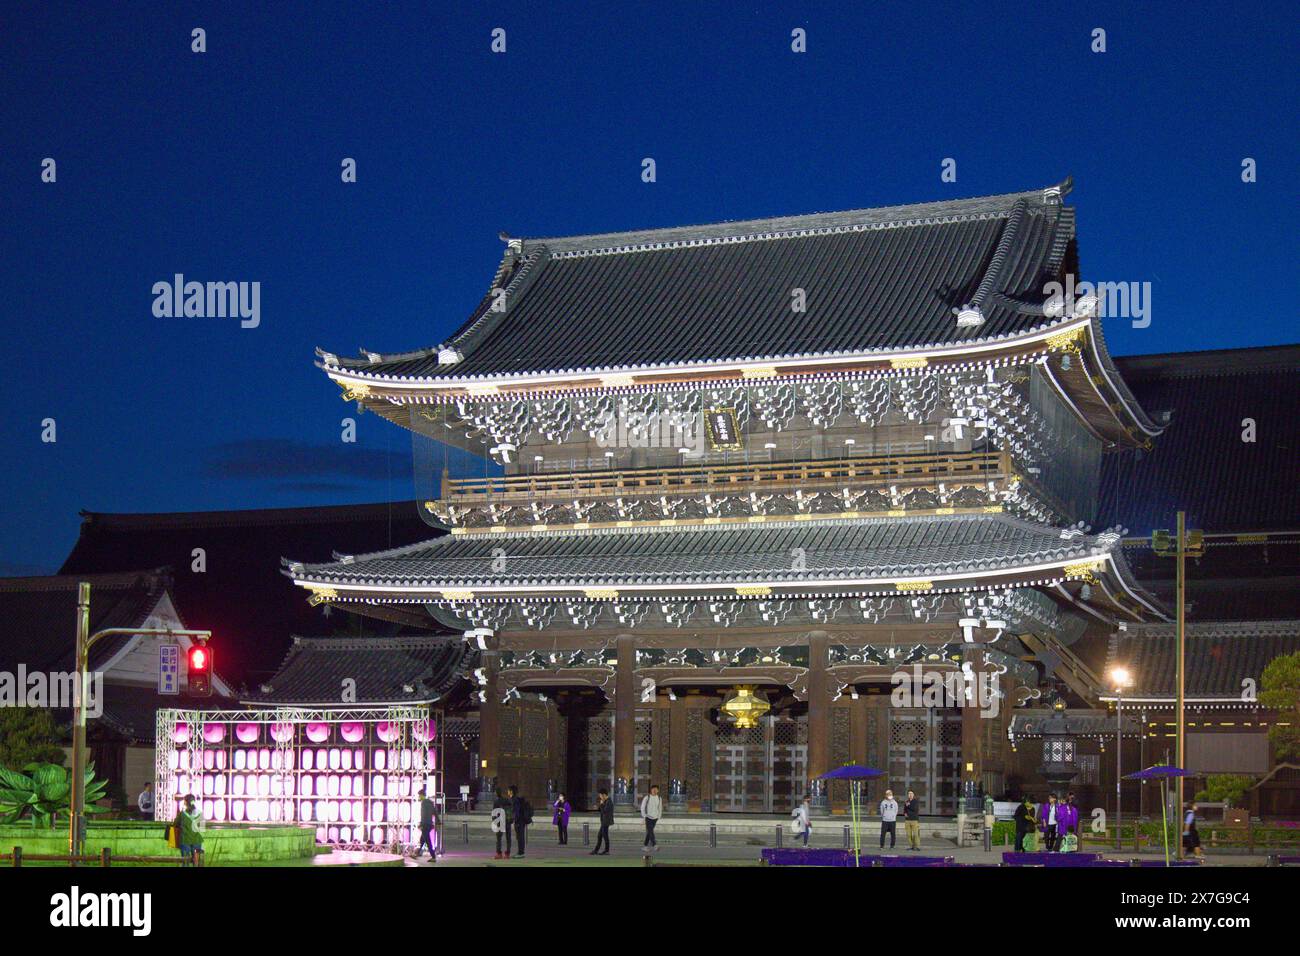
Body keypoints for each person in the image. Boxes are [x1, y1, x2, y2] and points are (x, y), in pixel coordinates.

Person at [173, 794, 203, 866]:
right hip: (197, 841)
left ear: (185, 802)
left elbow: (175, 824)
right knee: (196, 863)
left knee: (185, 862)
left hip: (185, 840)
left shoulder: (182, 814)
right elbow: (202, 827)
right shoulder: (200, 813)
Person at [508, 784, 532, 858]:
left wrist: (513, 819)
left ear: (511, 791)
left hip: (519, 821)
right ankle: (520, 852)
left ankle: (520, 853)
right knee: (520, 836)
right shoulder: (516, 799)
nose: (507, 792)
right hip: (521, 820)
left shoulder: (514, 800)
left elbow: (516, 811)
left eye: (508, 790)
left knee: (520, 837)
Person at [415, 787, 437, 859]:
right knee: (422, 840)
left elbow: (424, 814)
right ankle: (417, 854)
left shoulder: (424, 803)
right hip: (429, 824)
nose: (419, 797)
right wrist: (438, 821)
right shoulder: (430, 802)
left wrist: (421, 823)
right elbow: (434, 812)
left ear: (422, 795)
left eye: (419, 795)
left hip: (426, 824)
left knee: (427, 841)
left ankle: (433, 857)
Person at [640, 784, 663, 852]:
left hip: (655, 818)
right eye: (653, 789)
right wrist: (644, 815)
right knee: (650, 831)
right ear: (651, 790)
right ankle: (654, 844)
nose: (654, 790)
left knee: (649, 832)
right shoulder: (647, 797)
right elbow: (642, 807)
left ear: (658, 790)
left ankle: (645, 846)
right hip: (648, 817)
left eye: (656, 789)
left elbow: (660, 807)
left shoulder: (659, 798)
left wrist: (659, 816)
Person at [491, 787, 512, 859]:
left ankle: (499, 853)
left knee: (499, 838)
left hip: (500, 821)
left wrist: (494, 821)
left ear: (496, 793)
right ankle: (507, 854)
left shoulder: (496, 801)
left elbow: (494, 813)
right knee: (508, 838)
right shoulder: (506, 800)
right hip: (507, 820)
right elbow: (511, 809)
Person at [591, 787, 613, 855]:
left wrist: (602, 804)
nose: (600, 797)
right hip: (603, 821)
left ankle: (606, 850)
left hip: (606, 821)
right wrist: (599, 806)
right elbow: (601, 810)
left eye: (600, 795)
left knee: (604, 836)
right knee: (600, 835)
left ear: (604, 795)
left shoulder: (609, 801)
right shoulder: (605, 801)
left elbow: (605, 811)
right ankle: (596, 850)